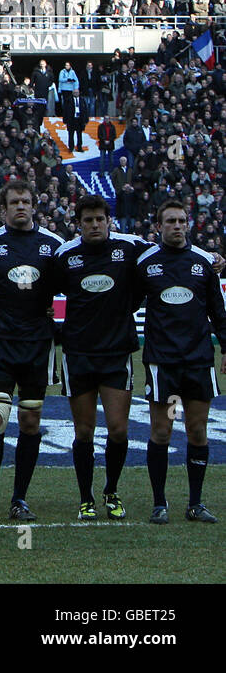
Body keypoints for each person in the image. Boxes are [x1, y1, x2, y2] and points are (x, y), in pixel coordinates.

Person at [0, 181, 65, 522]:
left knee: (29, 421)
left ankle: (19, 499)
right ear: (3, 208)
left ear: (34, 205)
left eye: (26, 201)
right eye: (14, 202)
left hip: (38, 344)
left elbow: (69, 281)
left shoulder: (54, 246)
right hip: (2, 342)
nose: (20, 206)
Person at [51, 194, 145, 521]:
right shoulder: (66, 255)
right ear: (79, 224)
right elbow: (39, 292)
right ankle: (86, 497)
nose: (94, 225)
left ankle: (111, 490)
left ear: (109, 221)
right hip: (78, 353)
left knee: (118, 430)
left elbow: (165, 252)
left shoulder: (129, 248)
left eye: (100, 219)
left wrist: (211, 256)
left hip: (117, 352)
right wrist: (53, 328)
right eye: (88, 220)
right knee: (84, 432)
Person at [134, 199, 226, 525]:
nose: (176, 226)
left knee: (197, 430)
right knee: (162, 431)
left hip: (199, 361)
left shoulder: (204, 263)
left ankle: (196, 504)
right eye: (170, 221)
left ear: (188, 225)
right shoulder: (146, 263)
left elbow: (218, 311)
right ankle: (160, 503)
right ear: (158, 226)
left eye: (181, 221)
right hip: (162, 363)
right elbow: (123, 300)